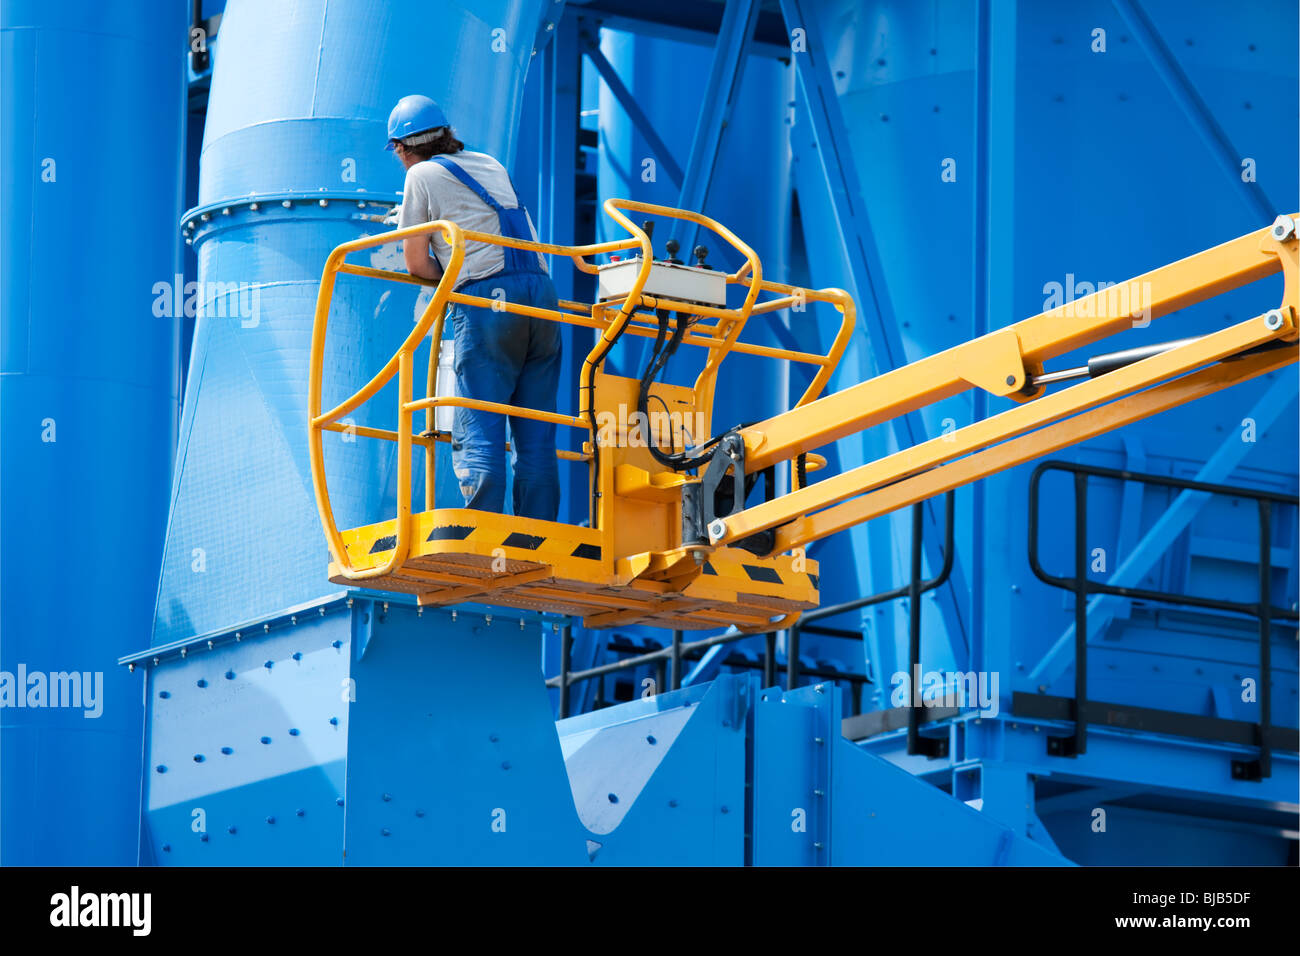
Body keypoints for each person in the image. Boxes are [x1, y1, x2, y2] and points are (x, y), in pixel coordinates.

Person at [387, 94, 561, 522]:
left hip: (488, 300)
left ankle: (484, 531)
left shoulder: (420, 175)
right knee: (535, 428)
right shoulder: (489, 163)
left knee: (480, 417)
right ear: (447, 135)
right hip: (542, 296)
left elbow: (416, 264)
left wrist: (444, 265)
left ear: (402, 148)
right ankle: (537, 532)